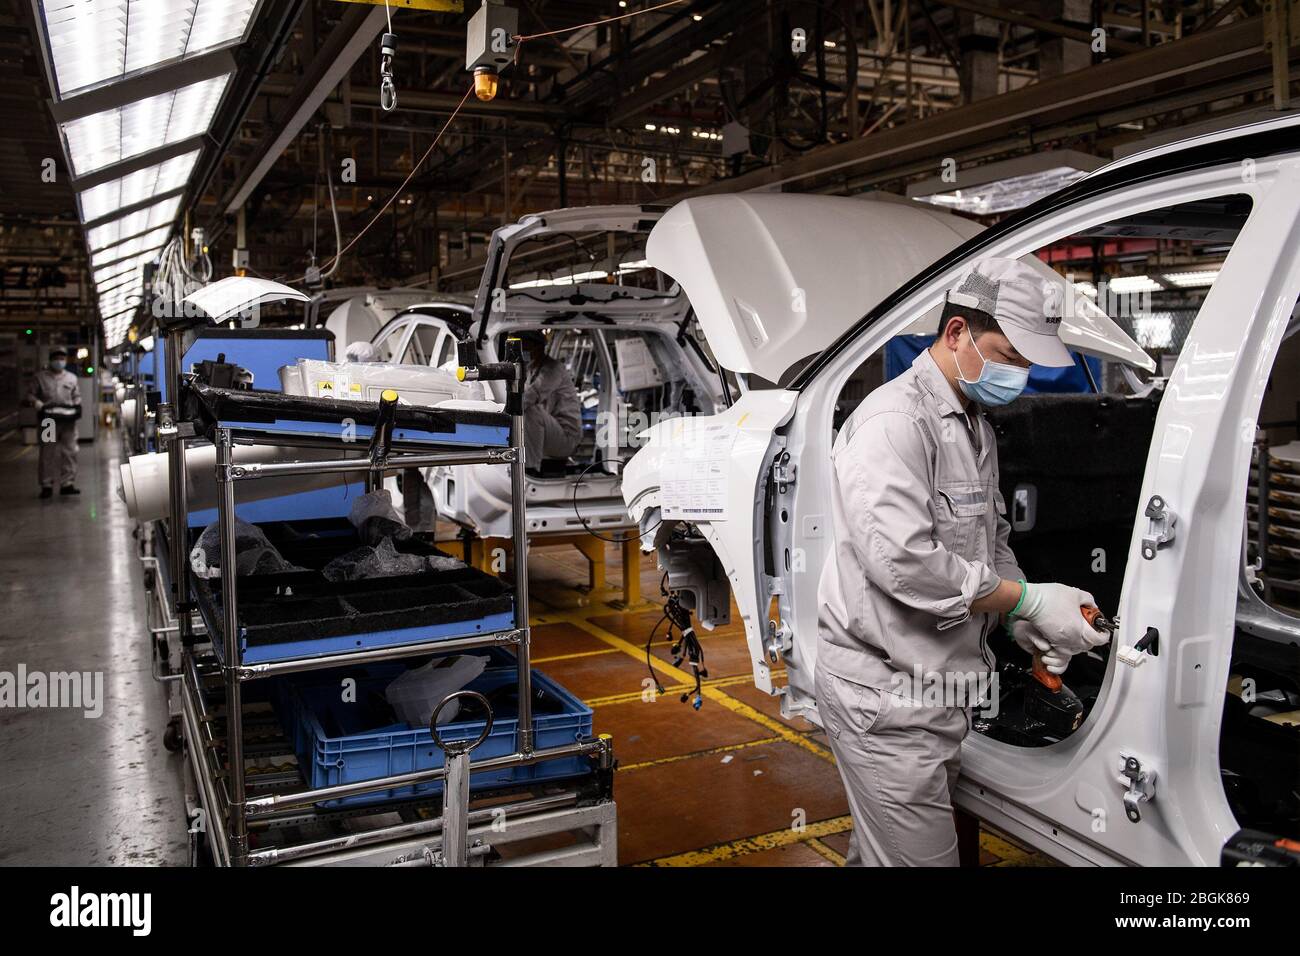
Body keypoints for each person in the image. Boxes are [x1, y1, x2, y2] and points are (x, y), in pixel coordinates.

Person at [815, 257, 1110, 866]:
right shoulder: (893, 424)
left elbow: (991, 537)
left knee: (887, 853)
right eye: (1008, 356)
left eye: (1025, 364)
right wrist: (1026, 600)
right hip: (885, 698)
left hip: (940, 691)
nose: (1019, 376)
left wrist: (1025, 615)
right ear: (956, 334)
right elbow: (906, 563)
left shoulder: (973, 425)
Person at [518, 330, 582, 468]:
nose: (523, 351)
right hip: (551, 432)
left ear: (538, 347)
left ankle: (530, 469)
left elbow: (527, 398)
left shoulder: (553, 369)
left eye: (526, 347)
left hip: (566, 437)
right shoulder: (530, 369)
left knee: (530, 411)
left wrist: (501, 408)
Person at [27, 348, 82, 498]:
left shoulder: (72, 378)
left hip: (68, 420)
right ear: (51, 359)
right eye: (56, 357)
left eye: (62, 358)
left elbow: (76, 396)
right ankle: (46, 485)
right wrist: (38, 404)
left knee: (70, 451)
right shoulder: (40, 377)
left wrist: (77, 406)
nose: (59, 361)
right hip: (48, 421)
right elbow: (31, 395)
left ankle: (67, 483)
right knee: (47, 452)